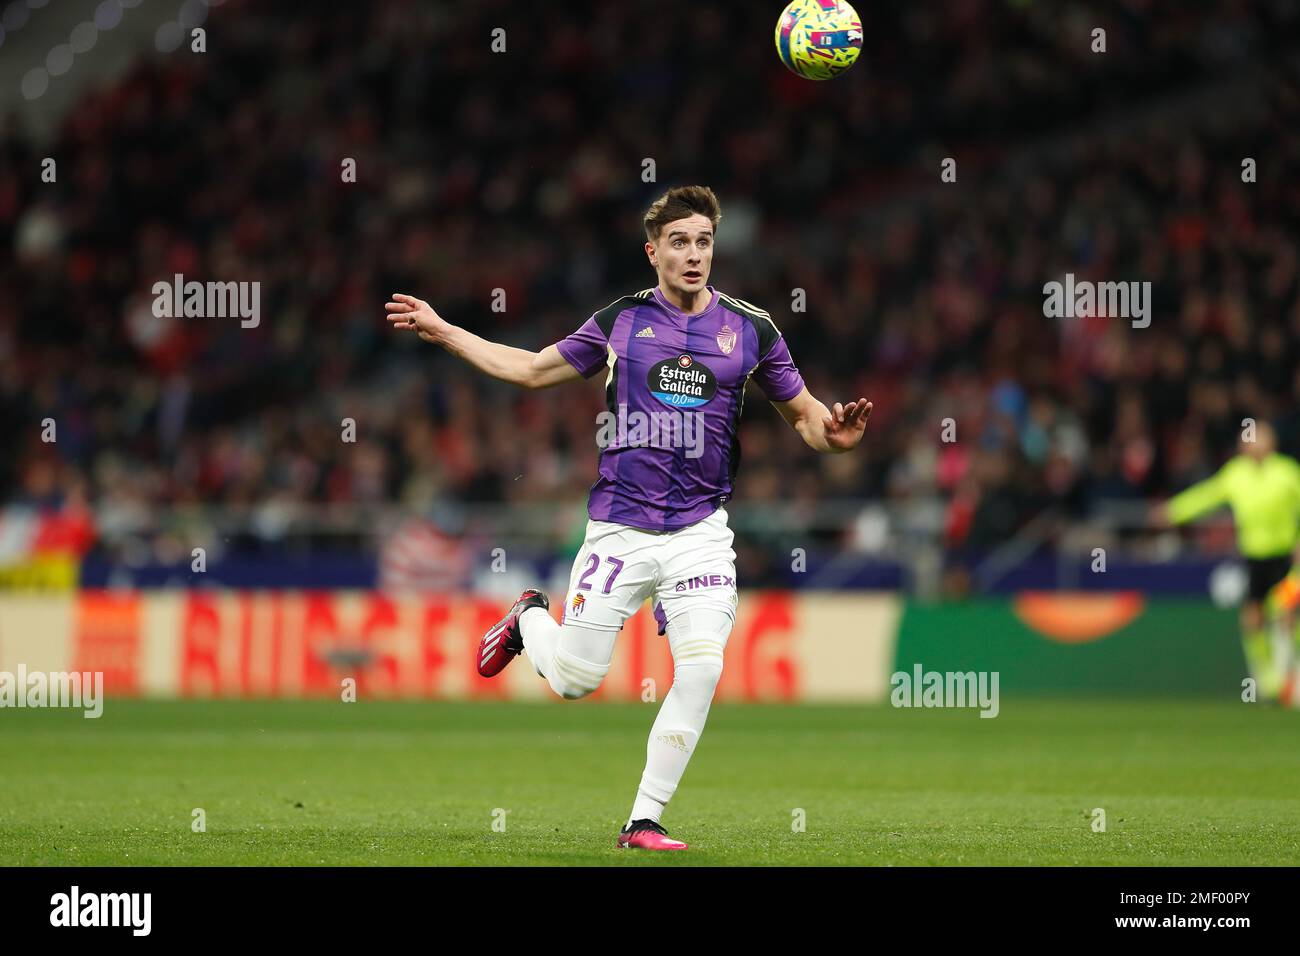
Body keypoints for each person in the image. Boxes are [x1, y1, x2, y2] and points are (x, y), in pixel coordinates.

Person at [385, 185, 872, 849]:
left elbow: (808, 419)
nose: (693, 254)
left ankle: (643, 820)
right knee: (578, 680)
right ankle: (529, 615)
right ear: (653, 253)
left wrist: (834, 435)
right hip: (620, 528)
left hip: (701, 532)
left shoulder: (751, 330)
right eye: (679, 242)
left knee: (700, 668)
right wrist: (443, 331)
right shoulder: (621, 323)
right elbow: (531, 370)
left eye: (703, 241)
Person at [1153, 422, 1300, 700]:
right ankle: (1267, 680)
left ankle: (1293, 674)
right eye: (1249, 439)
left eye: (1260, 437)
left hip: (1286, 558)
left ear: (1272, 442)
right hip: (1255, 559)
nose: (1254, 444)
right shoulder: (1236, 474)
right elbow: (1206, 496)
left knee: (1286, 610)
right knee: (1253, 617)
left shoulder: (1287, 472)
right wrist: (1172, 511)